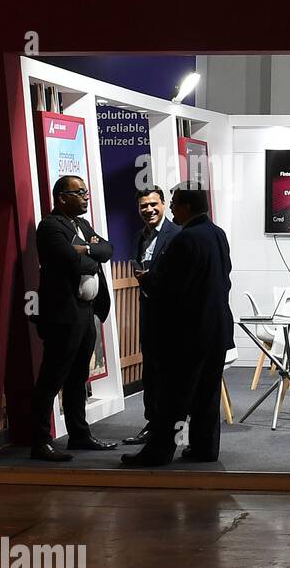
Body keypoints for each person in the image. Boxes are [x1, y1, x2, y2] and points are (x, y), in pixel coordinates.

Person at [122, 183, 234, 467]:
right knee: (207, 395)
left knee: (174, 398)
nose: (170, 208)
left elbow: (171, 287)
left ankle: (158, 453)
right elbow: (225, 277)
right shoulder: (217, 234)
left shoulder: (185, 239)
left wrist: (146, 279)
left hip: (189, 333)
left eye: (172, 202)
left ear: (185, 206)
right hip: (217, 328)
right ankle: (204, 449)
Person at [29, 176, 118, 461]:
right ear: (62, 197)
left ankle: (79, 435)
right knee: (52, 378)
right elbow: (70, 261)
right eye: (79, 193)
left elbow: (107, 249)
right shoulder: (50, 226)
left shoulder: (82, 225)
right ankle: (40, 441)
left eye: (86, 192)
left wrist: (87, 249)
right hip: (63, 315)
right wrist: (87, 254)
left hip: (86, 311)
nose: (86, 197)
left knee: (79, 378)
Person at [122, 186, 180, 446]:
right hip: (148, 313)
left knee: (170, 373)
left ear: (164, 204)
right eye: (143, 206)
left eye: (153, 204)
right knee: (151, 372)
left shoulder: (177, 235)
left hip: (172, 316)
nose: (149, 210)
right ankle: (152, 422)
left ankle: (173, 427)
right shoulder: (139, 236)